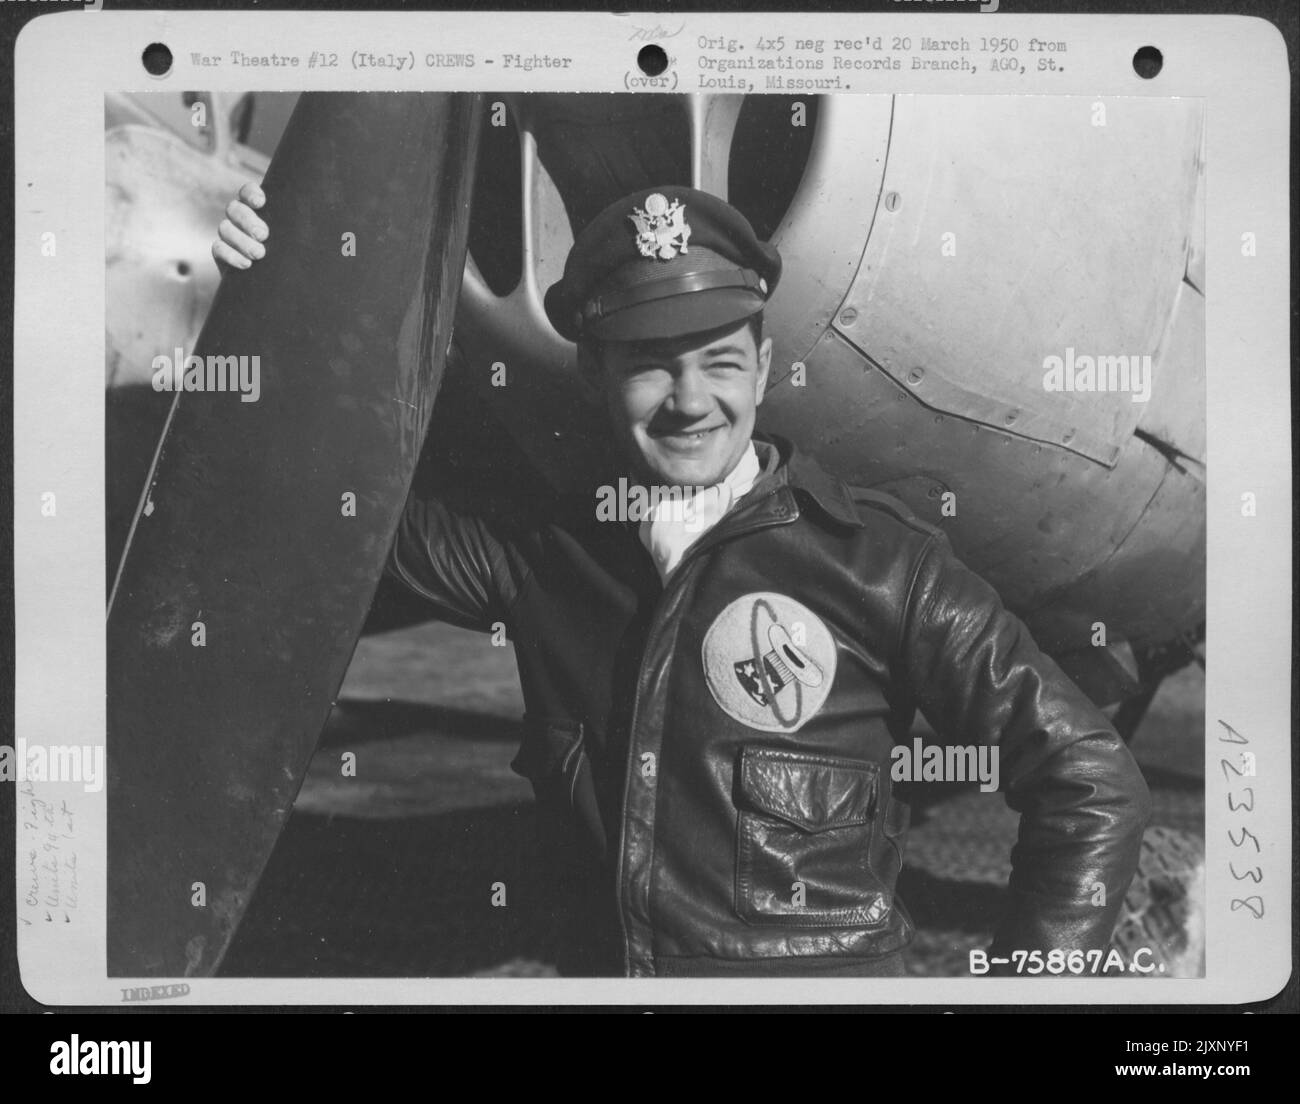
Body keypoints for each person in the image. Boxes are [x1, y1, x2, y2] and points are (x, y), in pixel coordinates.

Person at [214, 181, 1152, 978]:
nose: (693, 400)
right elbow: (338, 501)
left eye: (720, 362)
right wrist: (275, 300)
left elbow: (1086, 775)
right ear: (594, 375)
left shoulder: (882, 568)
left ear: (766, 366)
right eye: (651, 367)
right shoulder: (549, 556)